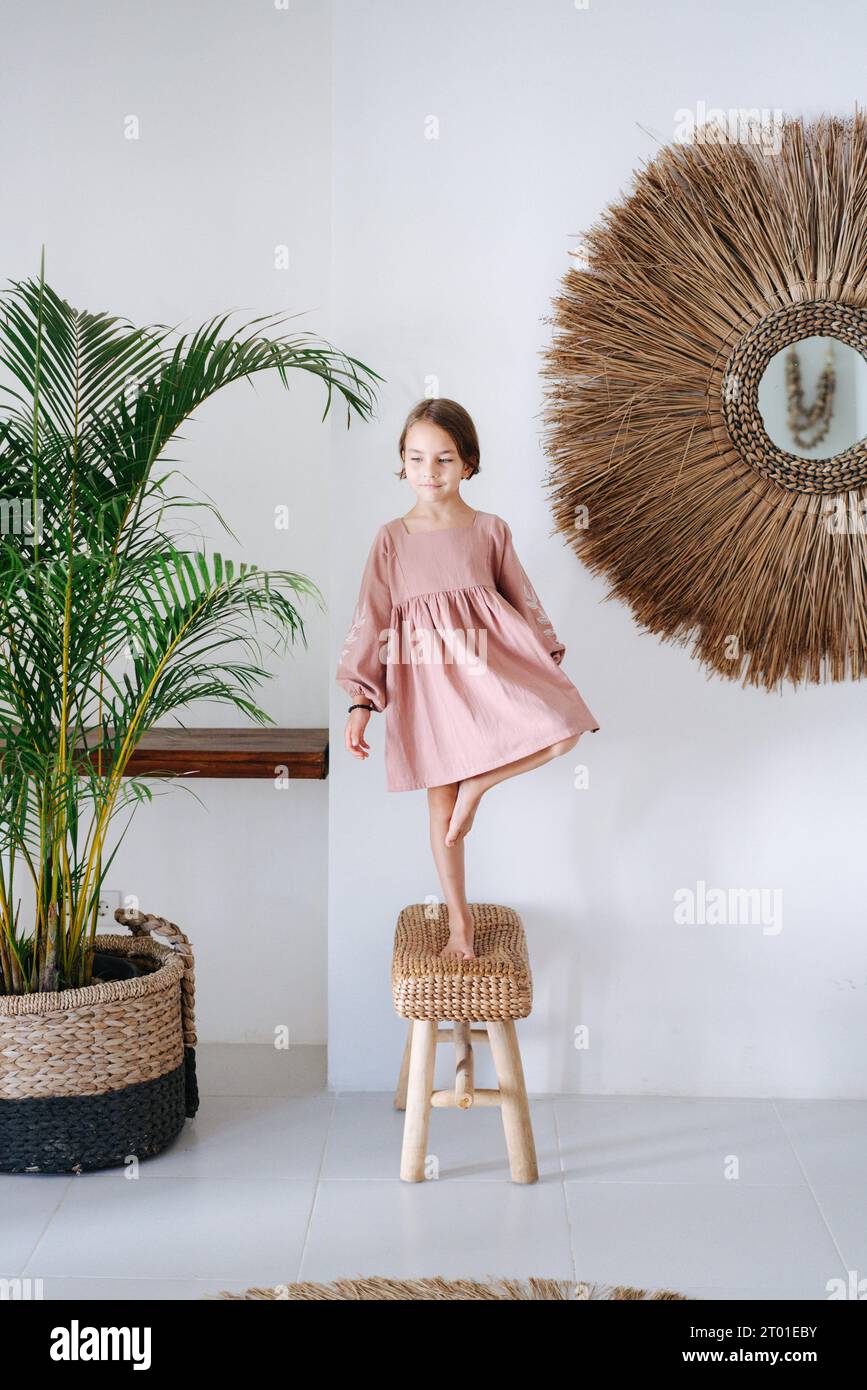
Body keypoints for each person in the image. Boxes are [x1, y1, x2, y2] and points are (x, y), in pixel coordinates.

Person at [336, 398, 600, 959]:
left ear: (468, 464)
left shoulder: (489, 530)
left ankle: (479, 785)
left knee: (565, 732)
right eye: (416, 459)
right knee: (440, 807)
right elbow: (373, 617)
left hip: (486, 668)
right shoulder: (391, 539)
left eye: (444, 460)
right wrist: (361, 702)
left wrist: (543, 659)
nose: (429, 473)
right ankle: (460, 923)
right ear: (401, 464)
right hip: (425, 684)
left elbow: (522, 598)